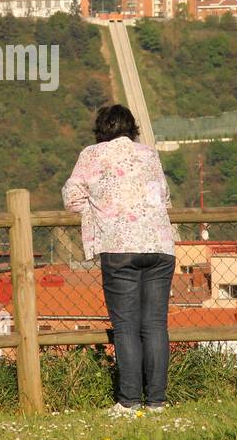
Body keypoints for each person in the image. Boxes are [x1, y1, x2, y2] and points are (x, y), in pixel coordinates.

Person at [62, 104, 176, 417]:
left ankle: (129, 402)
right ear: (132, 129)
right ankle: (157, 402)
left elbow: (72, 199)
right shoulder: (149, 154)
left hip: (120, 245)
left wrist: (97, 207)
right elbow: (164, 197)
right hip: (160, 246)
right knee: (154, 325)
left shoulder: (92, 155)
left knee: (126, 327)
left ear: (101, 131)